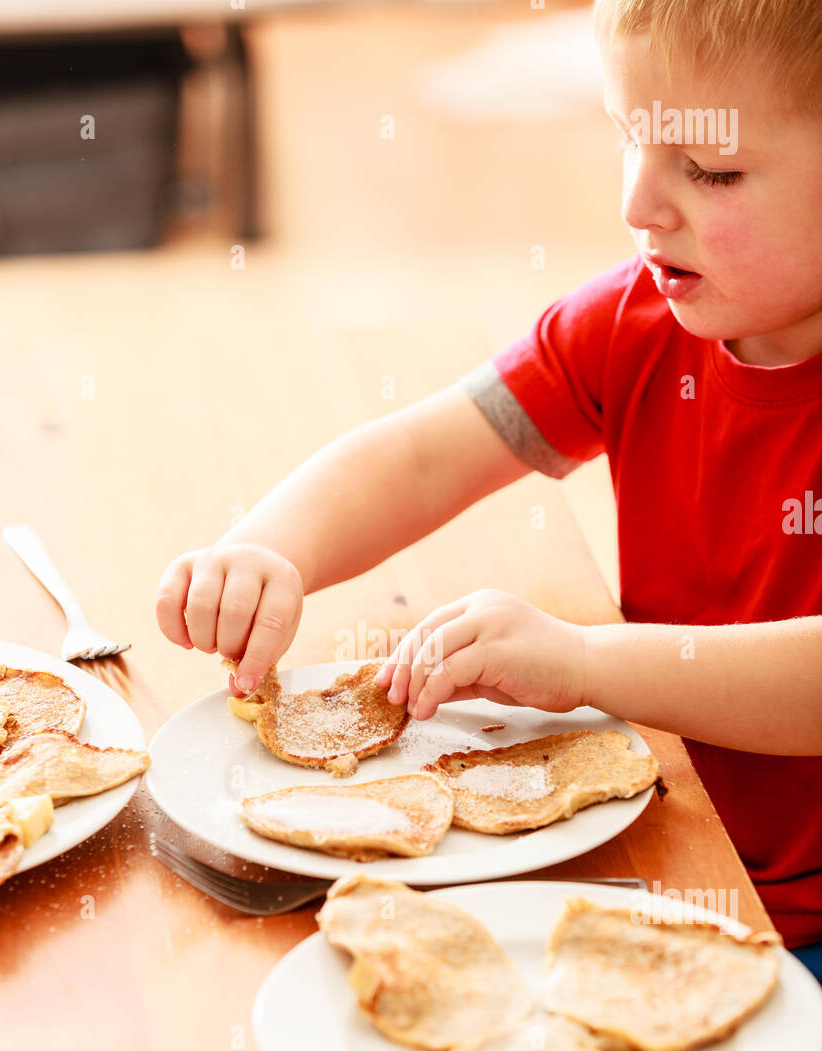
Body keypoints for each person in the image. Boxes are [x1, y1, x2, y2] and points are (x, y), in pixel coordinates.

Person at [156, 0, 822, 963]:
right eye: (628, 141)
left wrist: (586, 663)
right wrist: (268, 547)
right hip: (679, 834)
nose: (639, 205)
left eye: (711, 170)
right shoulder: (637, 320)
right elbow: (427, 452)